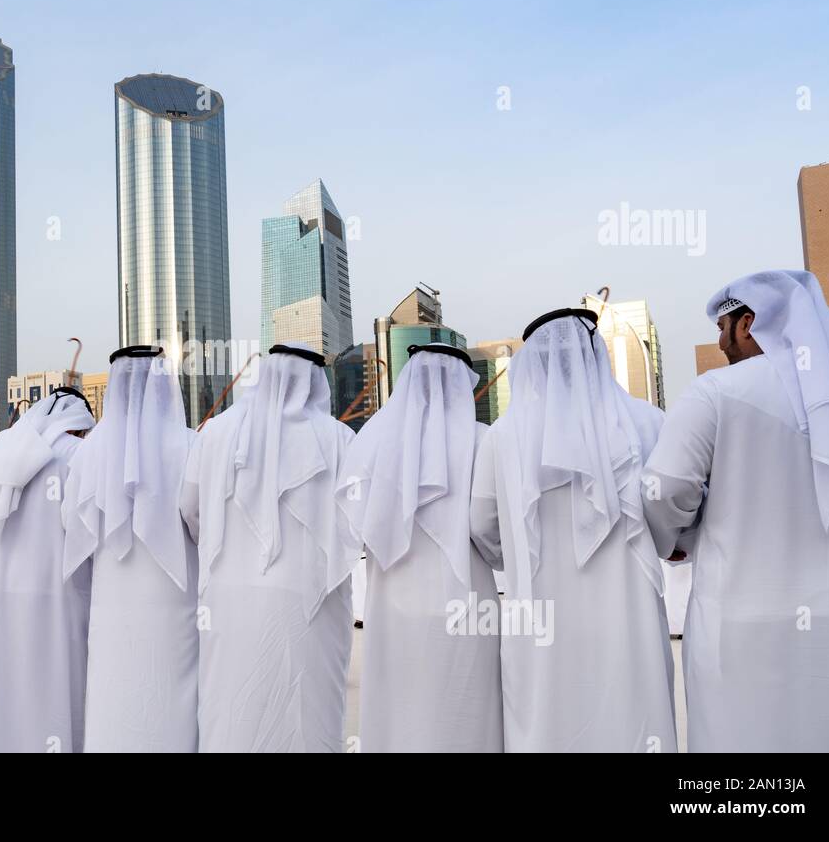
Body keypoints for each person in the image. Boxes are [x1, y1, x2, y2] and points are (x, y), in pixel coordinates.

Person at [643, 270, 829, 752]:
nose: (720, 343)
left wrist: (679, 538)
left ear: (747, 322)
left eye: (722, 327)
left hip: (740, 622)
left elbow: (664, 489)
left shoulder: (716, 392)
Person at [470, 308, 676, 752]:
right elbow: (668, 517)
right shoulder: (647, 421)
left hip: (540, 618)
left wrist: (520, 560)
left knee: (548, 720)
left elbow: (482, 527)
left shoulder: (503, 436)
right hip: (628, 615)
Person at [181, 343, 356, 752]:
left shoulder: (215, 434)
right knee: (305, 720)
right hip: (310, 609)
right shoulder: (339, 439)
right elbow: (356, 524)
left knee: (232, 716)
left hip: (227, 604)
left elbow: (189, 512)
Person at [337, 343, 503, 753]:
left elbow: (350, 524)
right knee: (463, 717)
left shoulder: (372, 441)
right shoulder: (484, 441)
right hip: (465, 609)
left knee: (401, 721)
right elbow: (490, 531)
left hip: (393, 610)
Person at [63, 345, 199, 753]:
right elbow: (199, 519)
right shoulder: (189, 444)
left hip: (112, 604)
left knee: (115, 698)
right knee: (167, 701)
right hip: (174, 600)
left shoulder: (89, 452)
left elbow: (72, 521)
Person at [0, 386, 96, 752]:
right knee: (54, 693)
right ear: (80, 423)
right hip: (59, 596)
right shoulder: (81, 456)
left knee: (4, 691)